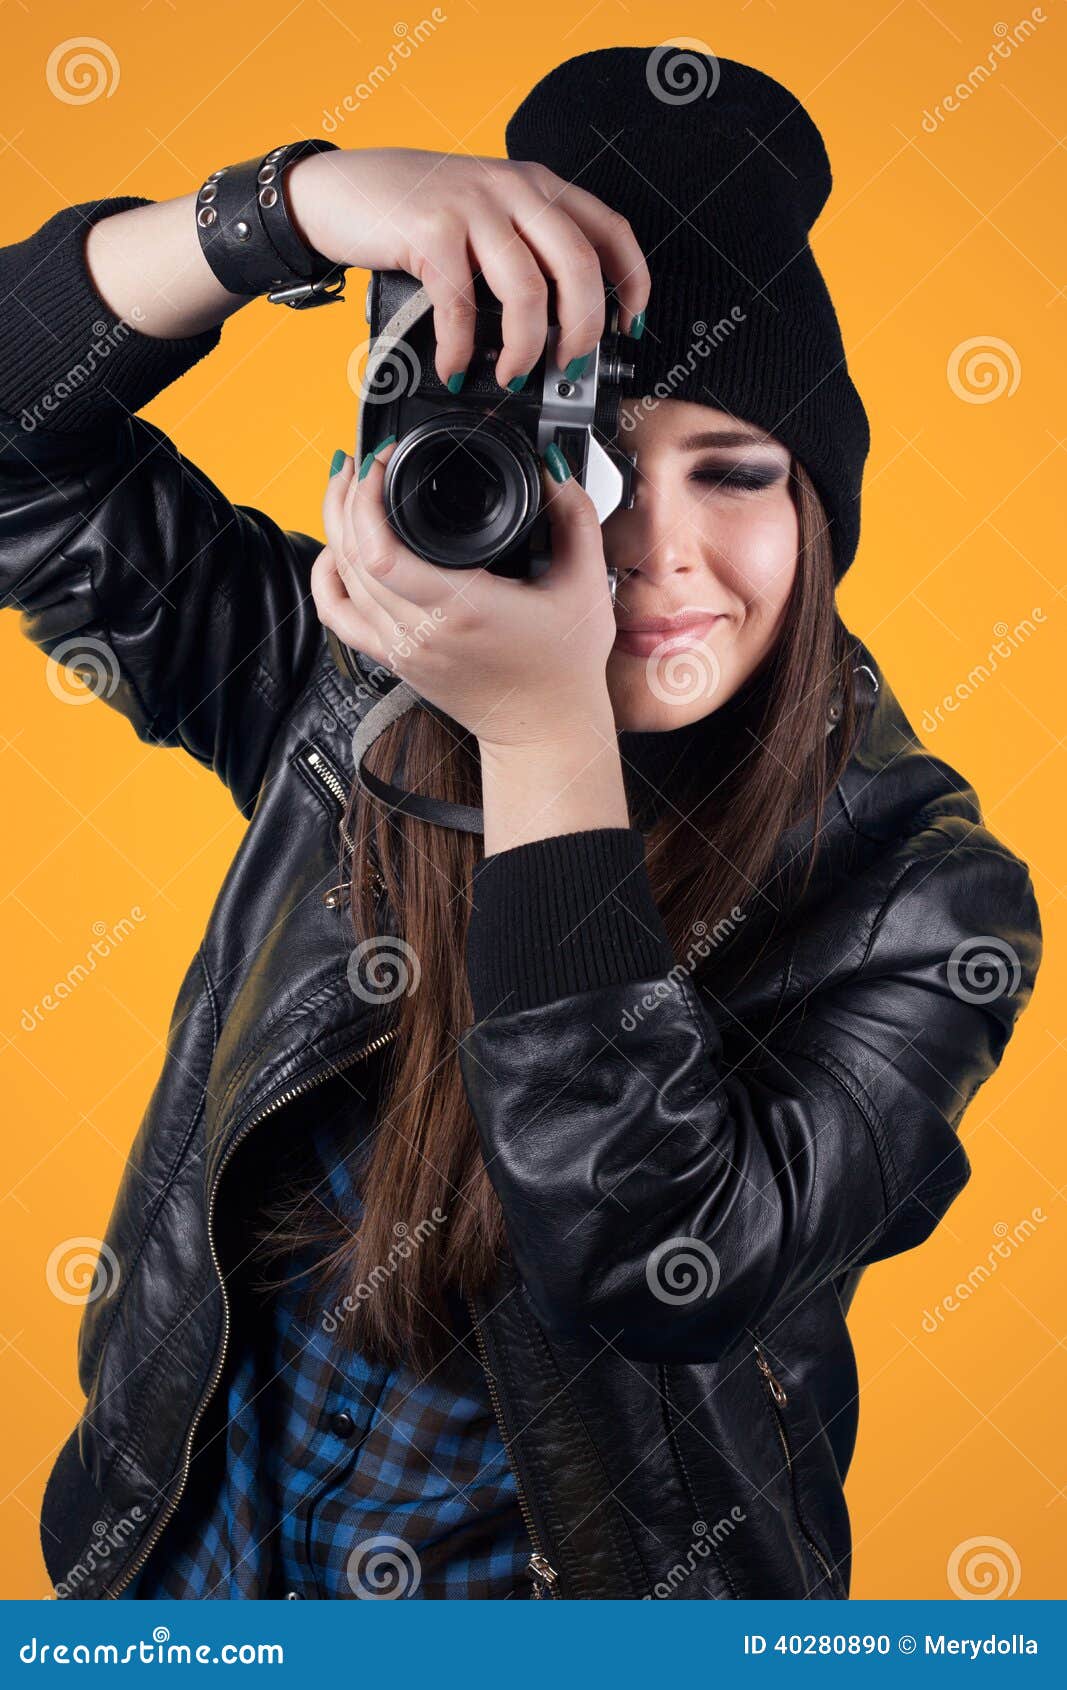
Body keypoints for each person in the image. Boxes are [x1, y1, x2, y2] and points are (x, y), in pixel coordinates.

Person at [0, 47, 1041, 1601]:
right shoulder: (348, 693)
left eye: (736, 472)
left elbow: (656, 1260)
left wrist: (544, 735)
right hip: (194, 1571)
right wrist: (284, 214)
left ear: (817, 513)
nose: (660, 549)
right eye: (593, 461)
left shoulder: (925, 900)